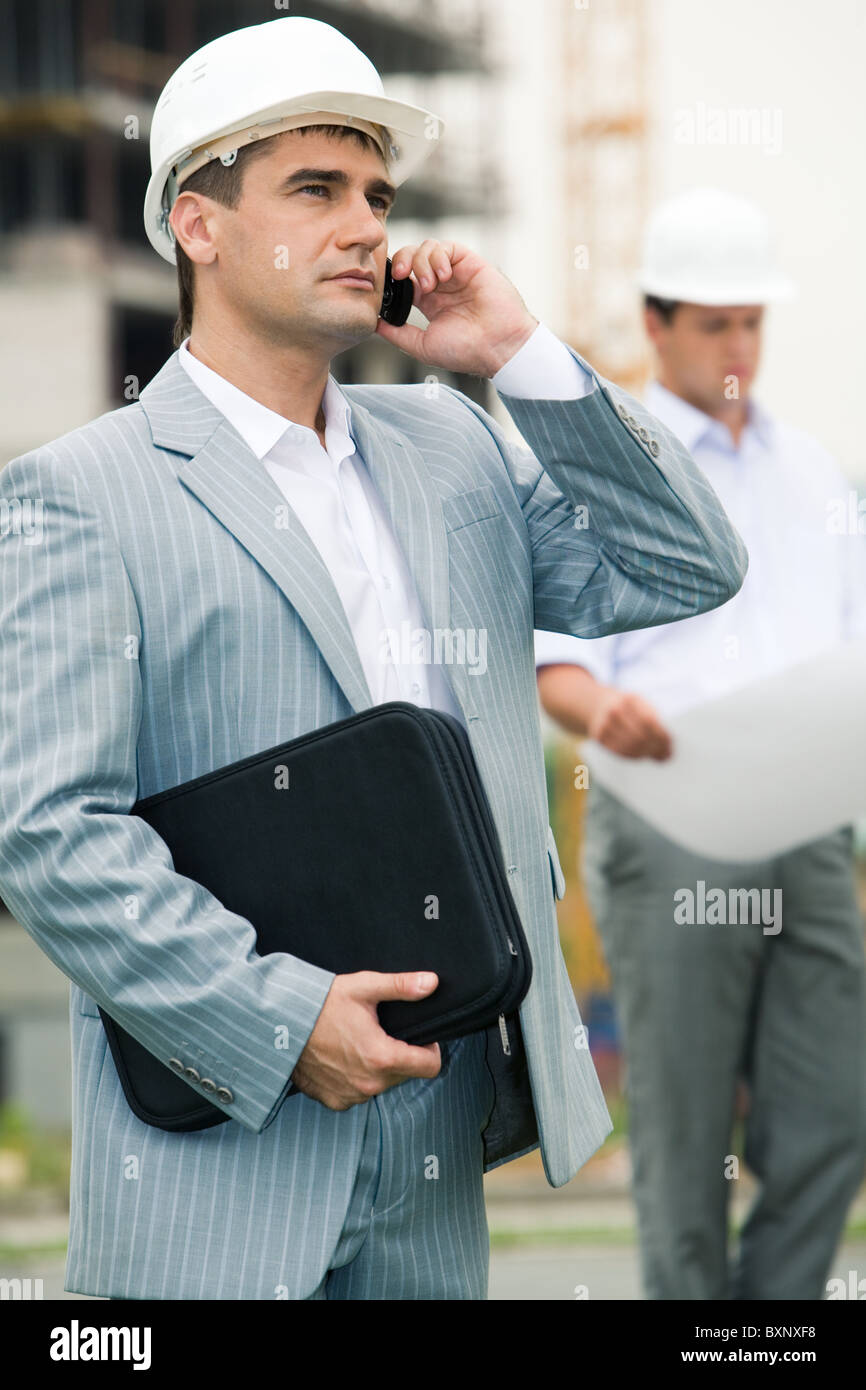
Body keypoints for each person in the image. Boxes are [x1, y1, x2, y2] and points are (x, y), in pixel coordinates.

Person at [0, 23, 747, 1300]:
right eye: (315, 189)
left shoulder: (453, 445)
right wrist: (283, 1024)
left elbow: (687, 563)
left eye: (378, 197)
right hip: (223, 1150)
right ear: (197, 225)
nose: (365, 226)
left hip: (438, 1121)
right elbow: (49, 830)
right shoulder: (81, 494)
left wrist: (521, 357)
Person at [535, 187, 866, 1301]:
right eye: (715, 322)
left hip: (806, 822)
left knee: (834, 1108)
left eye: (750, 322)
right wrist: (600, 714)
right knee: (682, 1133)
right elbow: (557, 658)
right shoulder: (607, 465)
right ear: (656, 322)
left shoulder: (811, 471)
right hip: (671, 815)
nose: (738, 346)